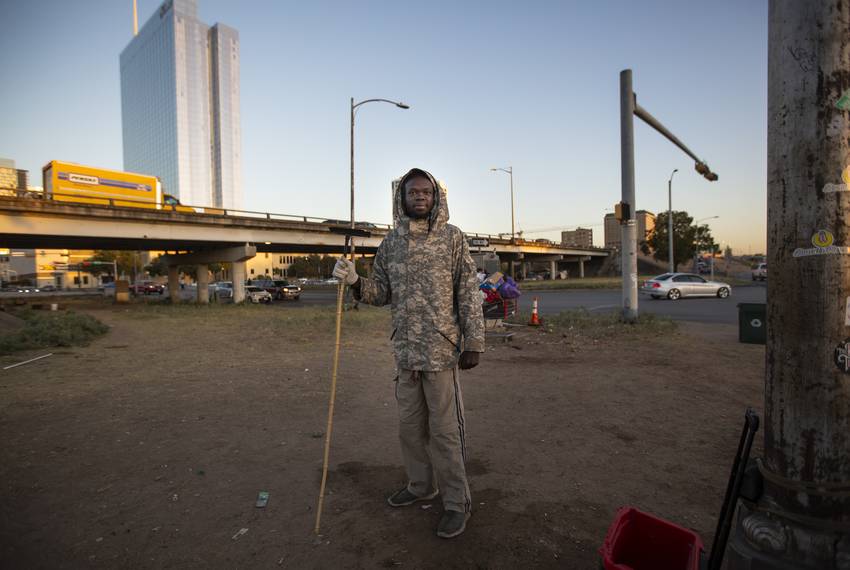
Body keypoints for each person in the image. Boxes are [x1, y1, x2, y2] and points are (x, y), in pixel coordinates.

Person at [333, 168, 484, 539]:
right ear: (402, 198)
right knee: (410, 431)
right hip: (406, 355)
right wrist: (354, 280)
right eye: (412, 192)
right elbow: (381, 293)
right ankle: (420, 486)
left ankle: (455, 502)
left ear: (436, 197)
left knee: (446, 433)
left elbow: (467, 292)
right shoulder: (390, 243)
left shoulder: (453, 239)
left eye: (426, 192)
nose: (420, 197)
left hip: (442, 352)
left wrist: (474, 342)